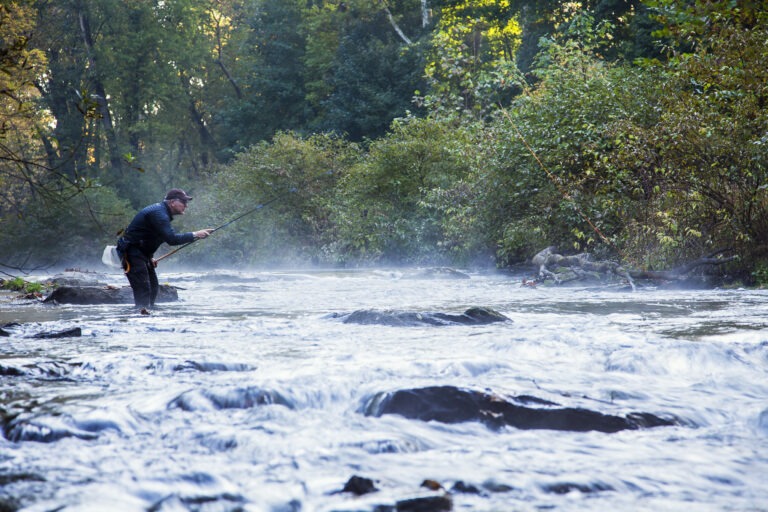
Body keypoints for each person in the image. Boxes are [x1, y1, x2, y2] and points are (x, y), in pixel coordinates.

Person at [117, 188, 212, 312]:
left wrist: (150, 256)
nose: (186, 206)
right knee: (144, 289)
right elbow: (171, 239)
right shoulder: (159, 214)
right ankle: (139, 318)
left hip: (141, 253)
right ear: (172, 202)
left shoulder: (162, 213)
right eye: (183, 202)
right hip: (131, 253)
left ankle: (147, 316)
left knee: (153, 287)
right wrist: (195, 234)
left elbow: (150, 237)